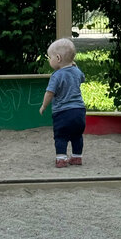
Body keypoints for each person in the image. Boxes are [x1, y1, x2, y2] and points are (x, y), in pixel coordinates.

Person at [39, 37, 86, 168]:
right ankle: (77, 157)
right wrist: (75, 67)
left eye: (50, 58)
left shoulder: (57, 75)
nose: (50, 60)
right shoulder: (77, 71)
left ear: (58, 58)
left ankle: (61, 158)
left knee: (61, 136)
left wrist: (44, 106)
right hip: (79, 111)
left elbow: (50, 92)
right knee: (77, 135)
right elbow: (82, 79)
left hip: (62, 112)